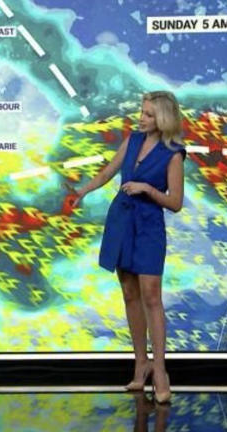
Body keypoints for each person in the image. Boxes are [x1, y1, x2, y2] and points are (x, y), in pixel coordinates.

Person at [73, 90, 186, 404]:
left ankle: (160, 370)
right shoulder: (132, 140)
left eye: (149, 114)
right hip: (122, 221)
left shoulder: (174, 154)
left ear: (163, 119)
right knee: (129, 293)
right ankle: (141, 364)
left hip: (148, 226)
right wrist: (83, 191)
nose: (142, 118)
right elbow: (109, 171)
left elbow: (175, 203)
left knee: (151, 295)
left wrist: (147, 188)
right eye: (142, 112)